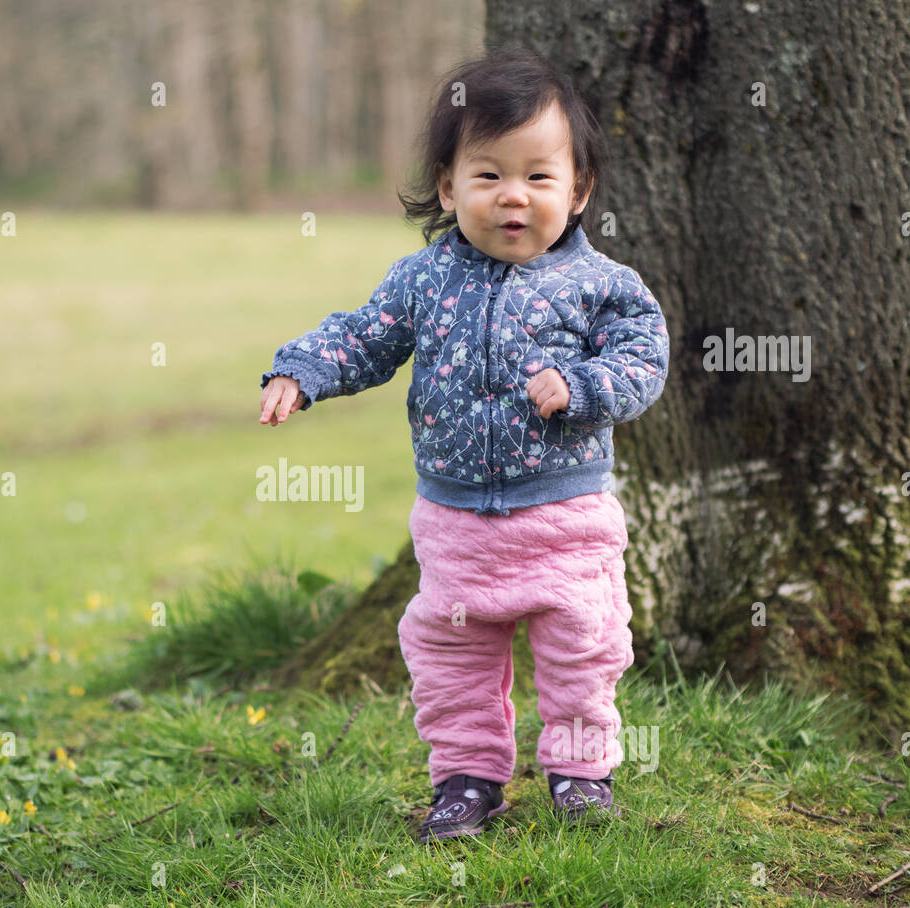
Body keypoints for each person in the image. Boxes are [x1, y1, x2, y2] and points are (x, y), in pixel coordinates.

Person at [257, 47, 670, 841]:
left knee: (584, 650)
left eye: (539, 178)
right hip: (454, 524)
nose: (513, 196)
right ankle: (467, 780)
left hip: (567, 518)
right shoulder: (424, 279)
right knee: (451, 658)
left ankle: (582, 775)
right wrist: (302, 372)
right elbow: (362, 336)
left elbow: (643, 359)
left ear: (578, 190)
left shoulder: (602, 285)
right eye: (488, 176)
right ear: (449, 186)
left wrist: (583, 386)